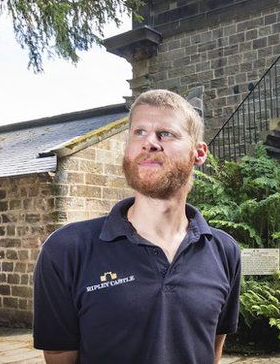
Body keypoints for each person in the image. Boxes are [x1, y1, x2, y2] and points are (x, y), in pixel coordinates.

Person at [32, 89, 241, 363]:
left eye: (166, 133)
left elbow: (212, 346)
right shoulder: (67, 250)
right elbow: (59, 353)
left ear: (198, 153)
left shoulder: (224, 251)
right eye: (139, 132)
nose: (149, 143)